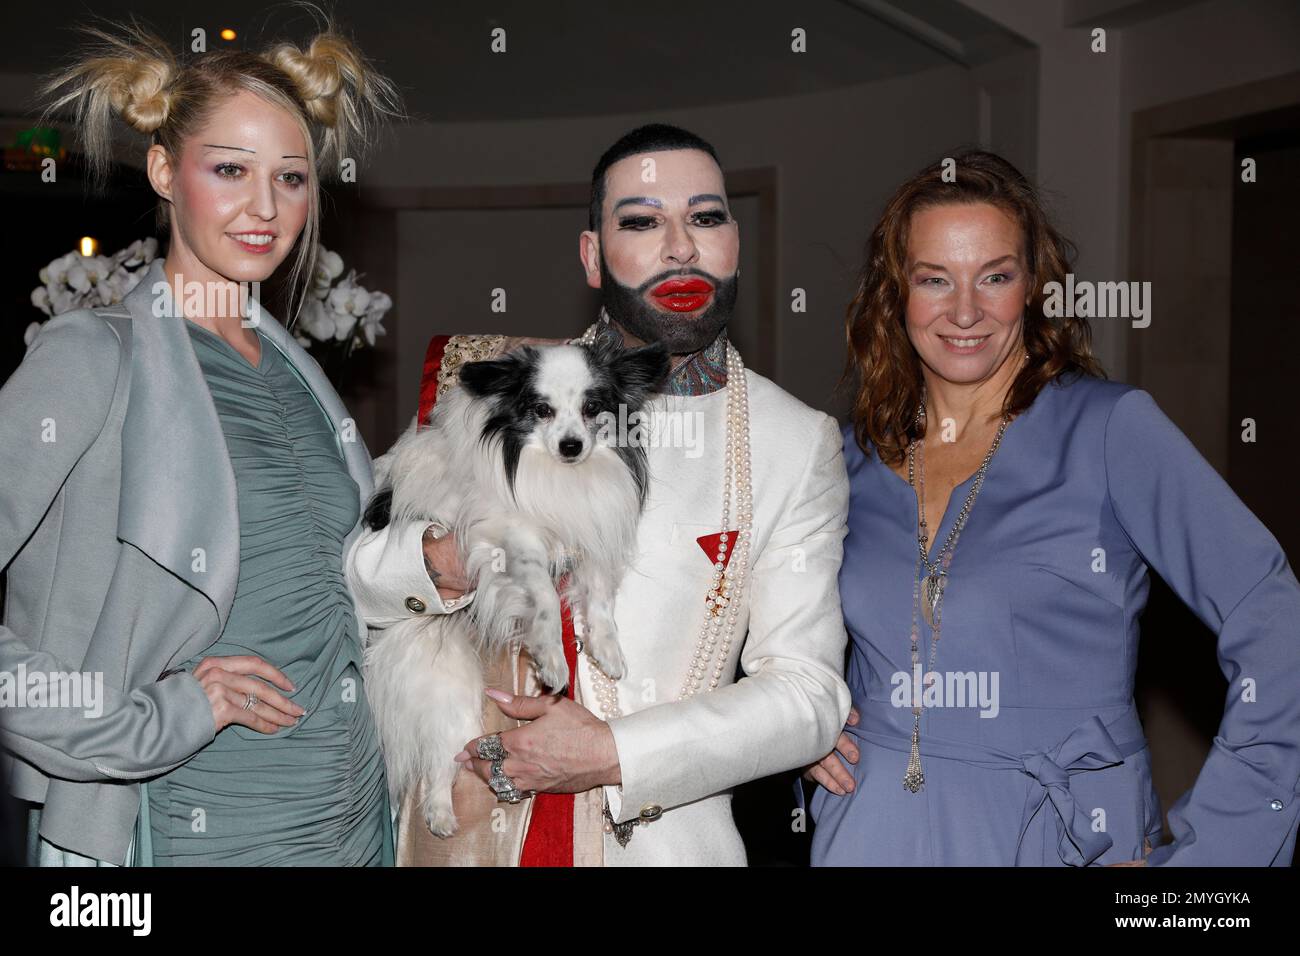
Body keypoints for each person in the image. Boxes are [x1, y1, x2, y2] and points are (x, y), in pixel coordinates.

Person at [347, 123, 852, 865]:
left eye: (706, 218)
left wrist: (615, 754)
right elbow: (352, 583)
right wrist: (453, 560)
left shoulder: (792, 439)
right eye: (642, 221)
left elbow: (809, 697)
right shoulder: (495, 386)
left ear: (735, 241)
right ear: (592, 256)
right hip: (460, 832)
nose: (681, 246)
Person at [0, 16, 441, 865]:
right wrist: (151, 721)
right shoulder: (92, 358)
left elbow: (337, 589)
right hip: (196, 829)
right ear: (164, 170)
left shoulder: (299, 373)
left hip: (354, 826)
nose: (265, 208)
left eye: (291, 177)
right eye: (230, 170)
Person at [801, 148, 1300, 866]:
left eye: (995, 277)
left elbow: (1275, 622)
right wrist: (799, 733)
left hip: (1053, 836)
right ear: (894, 294)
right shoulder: (848, 458)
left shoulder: (1110, 430)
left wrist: (1217, 848)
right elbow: (777, 637)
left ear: (1033, 287)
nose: (965, 310)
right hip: (870, 828)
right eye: (935, 279)